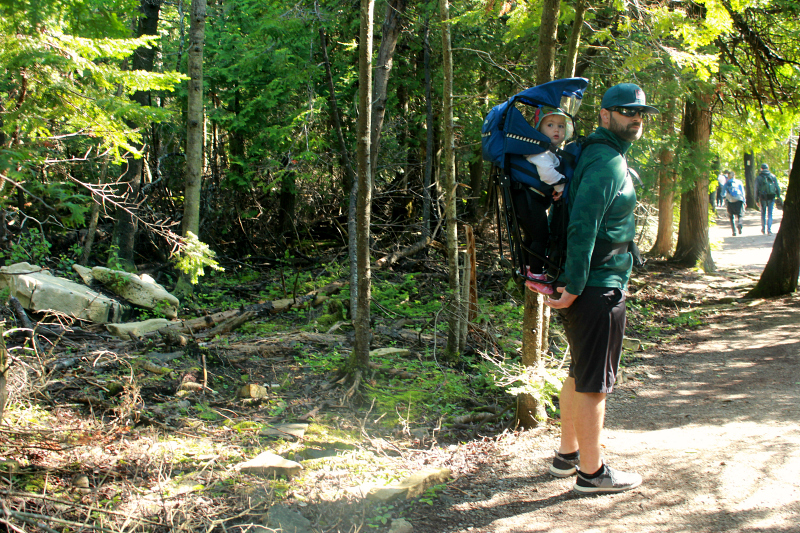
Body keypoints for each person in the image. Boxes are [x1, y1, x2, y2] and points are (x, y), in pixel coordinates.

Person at [544, 82, 658, 494]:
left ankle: (566, 455)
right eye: (627, 112)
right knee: (595, 381)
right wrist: (574, 285)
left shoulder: (596, 154)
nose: (636, 119)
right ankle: (592, 474)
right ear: (605, 115)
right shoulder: (607, 161)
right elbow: (583, 225)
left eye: (640, 113)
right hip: (597, 285)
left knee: (579, 370)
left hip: (589, 285)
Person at [513, 108, 572, 295]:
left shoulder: (547, 151)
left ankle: (527, 271)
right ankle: (537, 276)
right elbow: (546, 174)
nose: (557, 130)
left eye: (561, 126)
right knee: (541, 237)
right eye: (550, 125)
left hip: (529, 199)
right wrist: (561, 186)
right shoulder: (540, 150)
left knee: (531, 237)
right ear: (539, 129)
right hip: (528, 199)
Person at [755, 163, 781, 235]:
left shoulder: (759, 178)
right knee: (770, 214)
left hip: (762, 197)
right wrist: (778, 196)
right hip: (771, 196)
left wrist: (756, 199)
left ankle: (763, 229)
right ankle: (769, 230)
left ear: (761, 169)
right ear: (768, 168)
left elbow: (756, 189)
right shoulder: (772, 176)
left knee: (763, 213)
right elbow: (777, 187)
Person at [724, 170, 746, 236]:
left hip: (730, 201)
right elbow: (742, 192)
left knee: (731, 216)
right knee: (740, 214)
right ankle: (739, 224)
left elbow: (722, 193)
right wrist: (744, 201)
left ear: (728, 176)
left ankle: (734, 232)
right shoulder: (739, 182)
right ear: (734, 175)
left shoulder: (727, 183)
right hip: (739, 200)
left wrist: (725, 197)